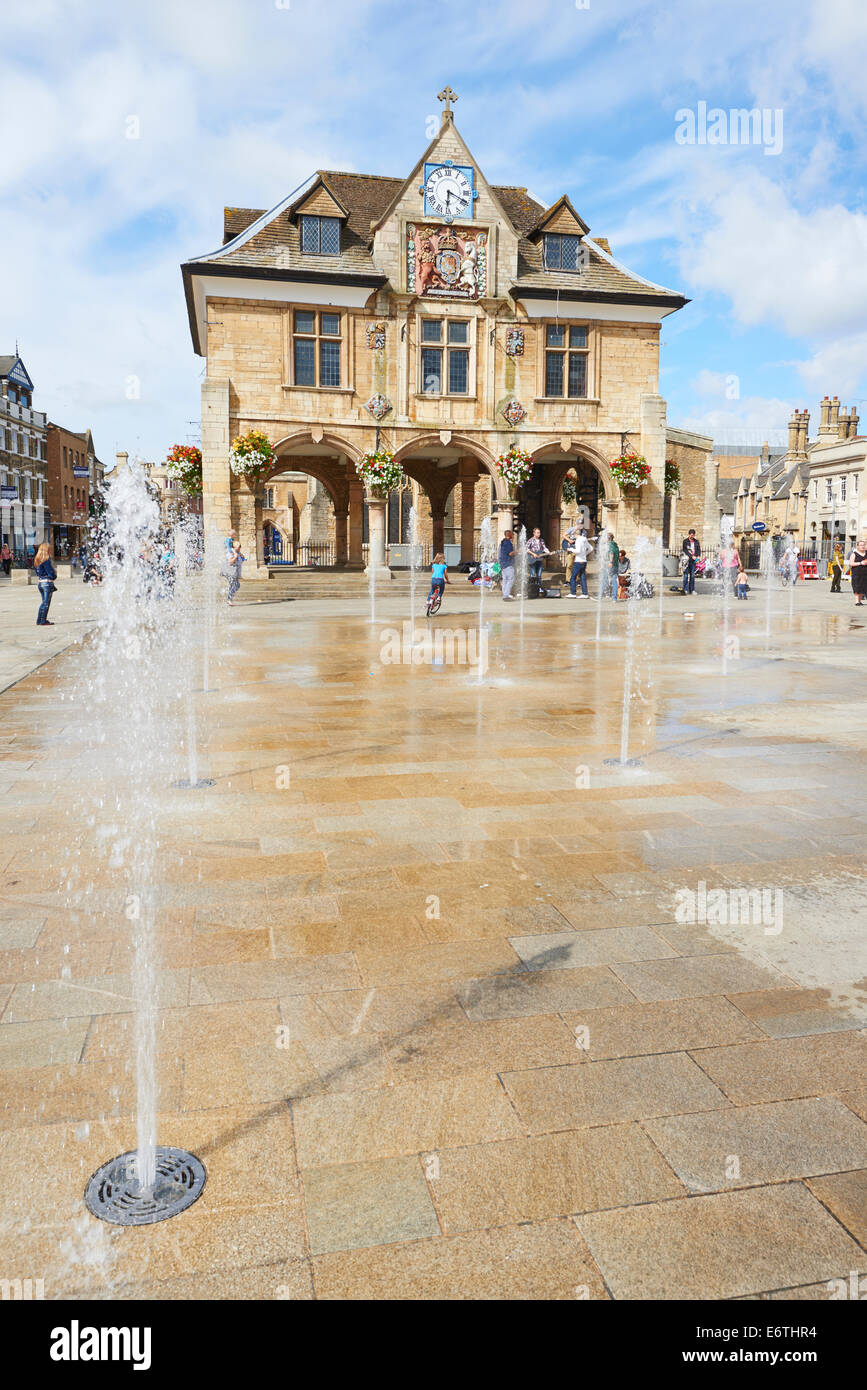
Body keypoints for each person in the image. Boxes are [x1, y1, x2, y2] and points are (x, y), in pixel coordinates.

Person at [566, 529, 594, 597]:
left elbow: (578, 551)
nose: (573, 536)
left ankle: (573, 593)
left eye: (573, 535)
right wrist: (585, 554)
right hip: (584, 561)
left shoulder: (578, 540)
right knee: (582, 577)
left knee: (573, 577)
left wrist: (570, 549)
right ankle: (585, 593)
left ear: (576, 534)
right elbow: (591, 548)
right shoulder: (584, 539)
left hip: (578, 561)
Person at [34, 543, 57, 626]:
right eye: (49, 549)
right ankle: (43, 620)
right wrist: (54, 575)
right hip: (47, 583)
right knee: (46, 603)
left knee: (44, 602)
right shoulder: (46, 560)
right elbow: (50, 573)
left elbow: (37, 572)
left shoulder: (37, 560)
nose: (50, 550)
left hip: (40, 583)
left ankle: (39, 620)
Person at [498, 529, 517, 601]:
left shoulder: (502, 542)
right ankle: (506, 596)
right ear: (510, 535)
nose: (514, 537)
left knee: (505, 580)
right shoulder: (508, 543)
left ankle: (504, 595)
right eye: (513, 535)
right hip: (508, 564)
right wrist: (518, 551)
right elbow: (510, 553)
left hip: (503, 564)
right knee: (511, 579)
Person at [848, 538, 867, 606]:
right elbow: (851, 563)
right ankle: (857, 601)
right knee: (856, 586)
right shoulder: (854, 554)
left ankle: (860, 600)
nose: (862, 546)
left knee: (863, 586)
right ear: (858, 546)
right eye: (861, 545)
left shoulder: (866, 553)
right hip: (856, 573)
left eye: (863, 545)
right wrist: (860, 563)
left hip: (865, 574)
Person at [682, 530, 700, 594]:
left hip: (693, 561)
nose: (692, 536)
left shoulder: (696, 541)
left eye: (693, 535)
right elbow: (685, 550)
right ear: (689, 534)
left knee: (692, 575)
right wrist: (691, 556)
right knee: (686, 575)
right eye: (691, 535)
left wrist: (698, 556)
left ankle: (692, 590)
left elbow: (698, 550)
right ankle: (685, 589)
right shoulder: (685, 541)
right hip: (687, 560)